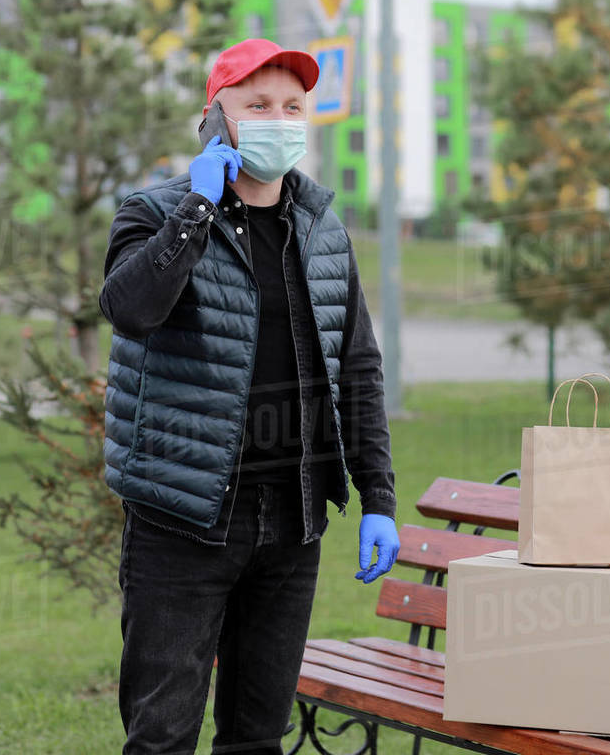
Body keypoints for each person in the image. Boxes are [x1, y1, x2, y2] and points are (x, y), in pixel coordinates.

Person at [98, 37, 400, 755]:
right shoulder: (152, 212)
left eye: (292, 106)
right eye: (256, 103)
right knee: (161, 736)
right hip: (184, 523)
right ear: (215, 118)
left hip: (291, 522)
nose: (278, 118)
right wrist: (198, 207)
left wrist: (379, 499)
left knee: (257, 737)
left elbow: (356, 368)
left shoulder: (322, 228)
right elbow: (130, 308)